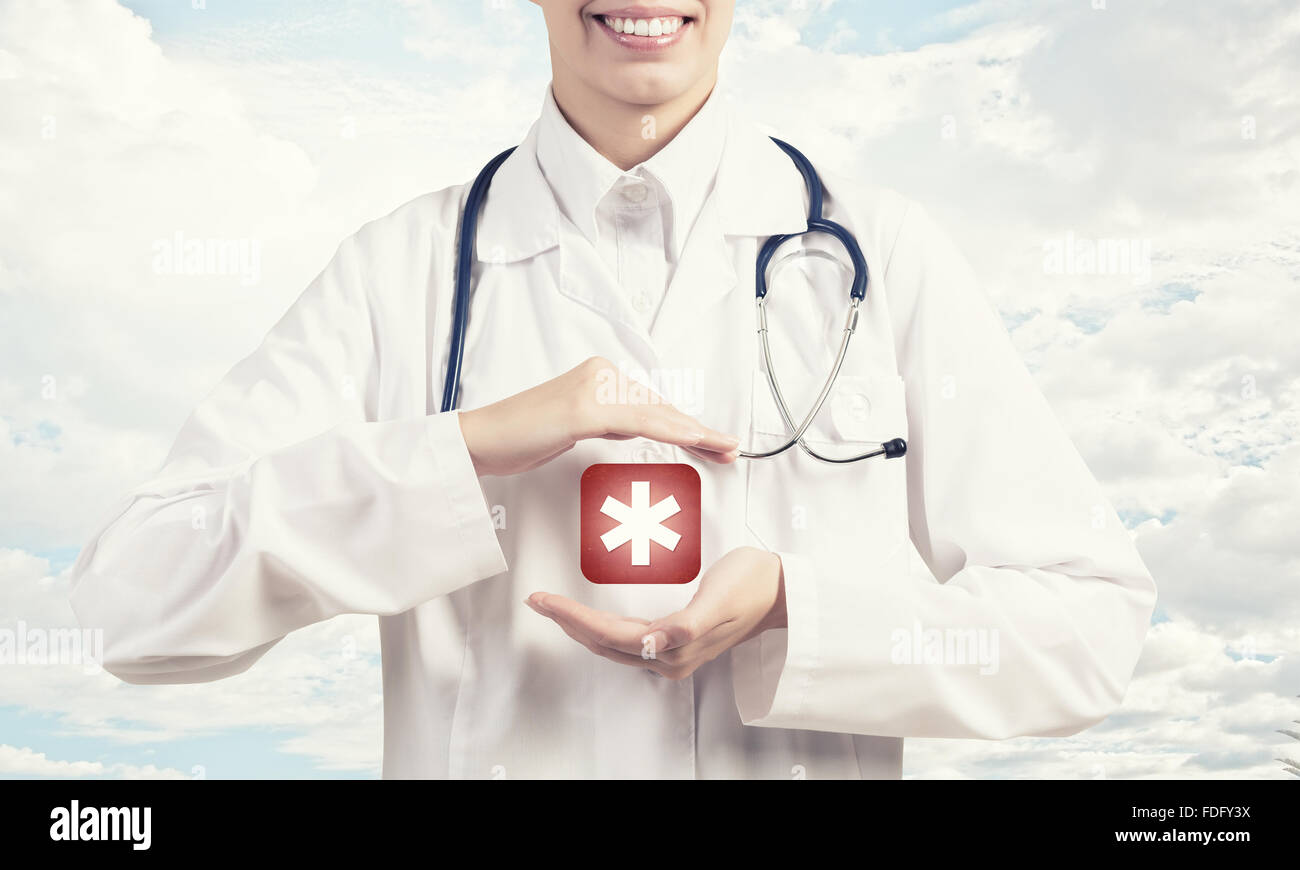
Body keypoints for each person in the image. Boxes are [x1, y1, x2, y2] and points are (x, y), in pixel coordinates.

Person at [69, 1, 1157, 779]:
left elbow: (1087, 628)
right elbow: (132, 607)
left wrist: (796, 608)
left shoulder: (882, 255)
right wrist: (457, 452)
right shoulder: (398, 271)